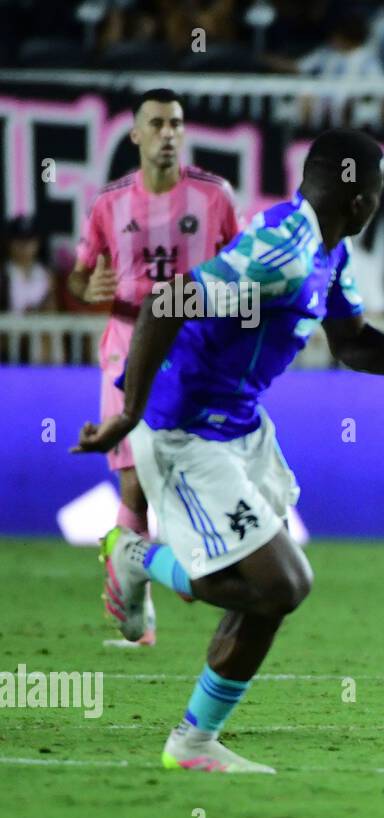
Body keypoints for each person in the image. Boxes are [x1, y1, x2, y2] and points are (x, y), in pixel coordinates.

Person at [71, 129, 384, 772]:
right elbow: (168, 301)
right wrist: (127, 413)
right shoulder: (283, 253)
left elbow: (354, 344)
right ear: (355, 199)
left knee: (243, 584)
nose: (378, 205)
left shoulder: (329, 252)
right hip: (185, 431)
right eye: (376, 192)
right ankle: (188, 734)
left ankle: (137, 567)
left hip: (243, 431)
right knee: (279, 583)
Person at [67, 88, 240, 649]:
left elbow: (241, 267)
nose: (168, 133)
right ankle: (138, 615)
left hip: (191, 344)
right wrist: (86, 284)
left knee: (187, 473)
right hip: (127, 338)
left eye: (177, 124)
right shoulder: (109, 203)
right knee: (134, 481)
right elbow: (79, 274)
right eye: (157, 124)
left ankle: (167, 565)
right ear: (136, 135)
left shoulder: (214, 197)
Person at [1, 216, 54, 313]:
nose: (24, 246)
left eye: (29, 240)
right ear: (8, 243)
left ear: (38, 243)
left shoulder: (47, 275)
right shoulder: (3, 273)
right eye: (18, 240)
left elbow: (53, 311)